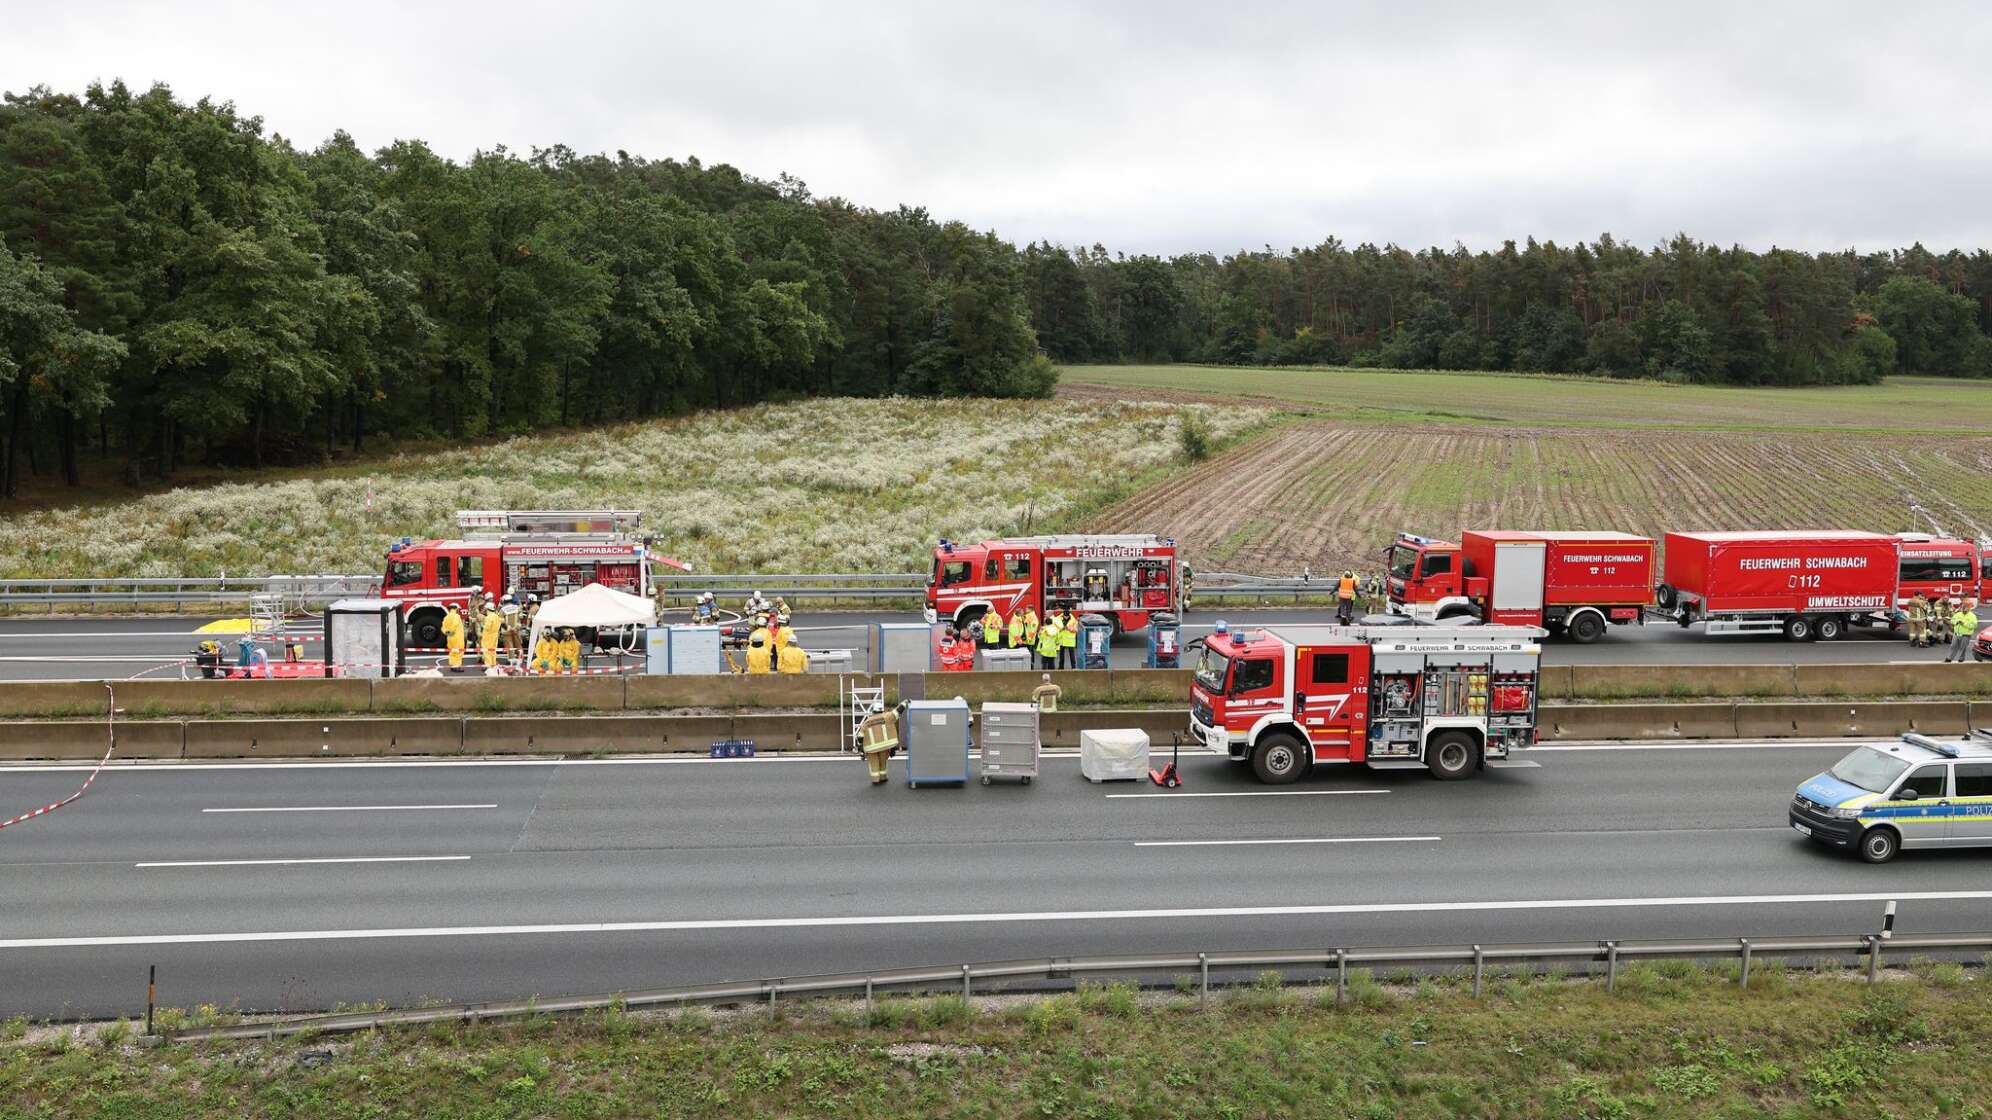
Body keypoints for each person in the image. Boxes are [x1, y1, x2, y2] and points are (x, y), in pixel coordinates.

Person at [856, 702, 899, 785]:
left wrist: (860, 748)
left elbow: (860, 736)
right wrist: (905, 702)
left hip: (871, 748)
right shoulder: (887, 717)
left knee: (874, 763)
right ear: (882, 710)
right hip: (883, 746)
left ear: (873, 711)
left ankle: (875, 780)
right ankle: (883, 778)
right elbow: (898, 711)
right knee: (883, 762)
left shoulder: (867, 722)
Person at [1945, 598, 1980, 663]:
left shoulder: (1972, 616)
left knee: (1962, 648)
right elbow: (1952, 620)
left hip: (1966, 635)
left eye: (1965, 607)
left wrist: (1964, 623)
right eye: (1962, 607)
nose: (1963, 609)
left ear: (1968, 608)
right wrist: (1956, 622)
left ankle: (1961, 659)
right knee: (1953, 646)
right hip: (1956, 634)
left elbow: (1974, 625)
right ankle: (1949, 658)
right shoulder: (1958, 614)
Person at [442, 604, 466, 670]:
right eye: (458, 609)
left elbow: (443, 627)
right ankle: (456, 667)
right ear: (456, 609)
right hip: (457, 637)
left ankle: (452, 665)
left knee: (452, 652)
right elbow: (454, 625)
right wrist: (451, 631)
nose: (459, 610)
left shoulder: (446, 617)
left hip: (450, 638)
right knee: (458, 652)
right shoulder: (457, 616)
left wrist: (447, 632)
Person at [479, 604, 502, 669]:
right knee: (493, 651)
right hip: (495, 635)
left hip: (488, 636)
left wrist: (482, 625)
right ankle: (493, 663)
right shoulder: (496, 616)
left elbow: (487, 627)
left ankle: (488, 665)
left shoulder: (489, 617)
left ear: (487, 609)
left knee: (487, 651)